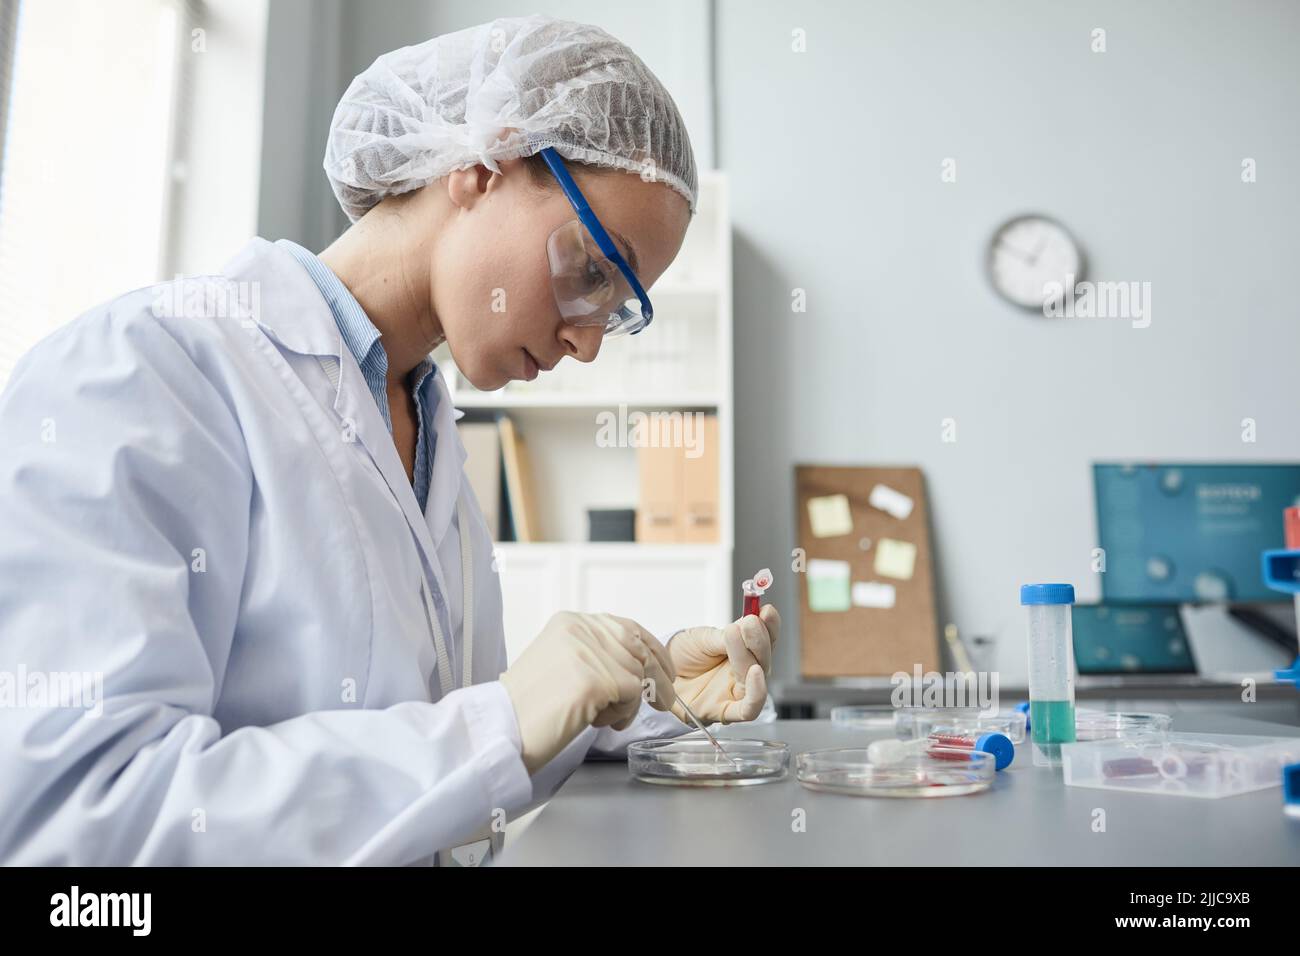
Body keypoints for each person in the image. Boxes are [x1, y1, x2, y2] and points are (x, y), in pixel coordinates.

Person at [0, 15, 778, 865]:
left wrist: (649, 693)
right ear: (486, 161)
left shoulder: (426, 428)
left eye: (618, 309)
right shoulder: (142, 372)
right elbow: (77, 819)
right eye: (595, 269)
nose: (588, 342)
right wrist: (504, 722)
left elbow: (439, 752)